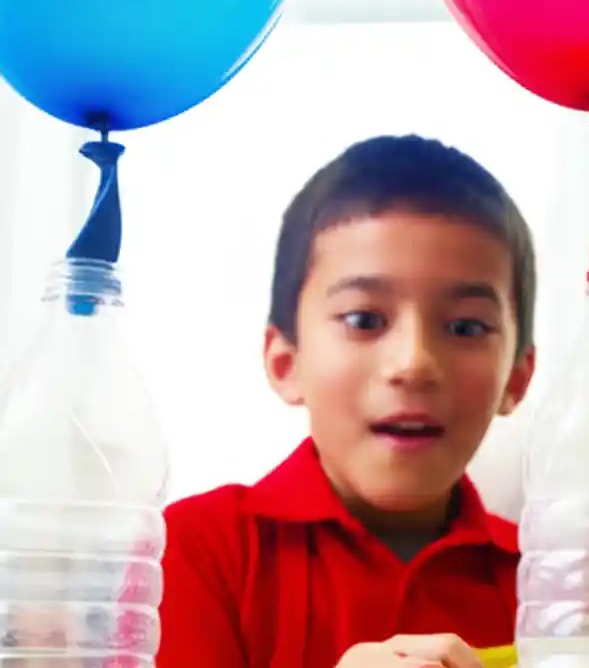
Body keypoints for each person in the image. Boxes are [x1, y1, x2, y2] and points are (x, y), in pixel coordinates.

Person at [158, 135, 537, 667]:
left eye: (466, 326)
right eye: (364, 320)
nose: (414, 363)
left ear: (517, 377)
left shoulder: (551, 584)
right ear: (286, 363)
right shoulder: (194, 552)